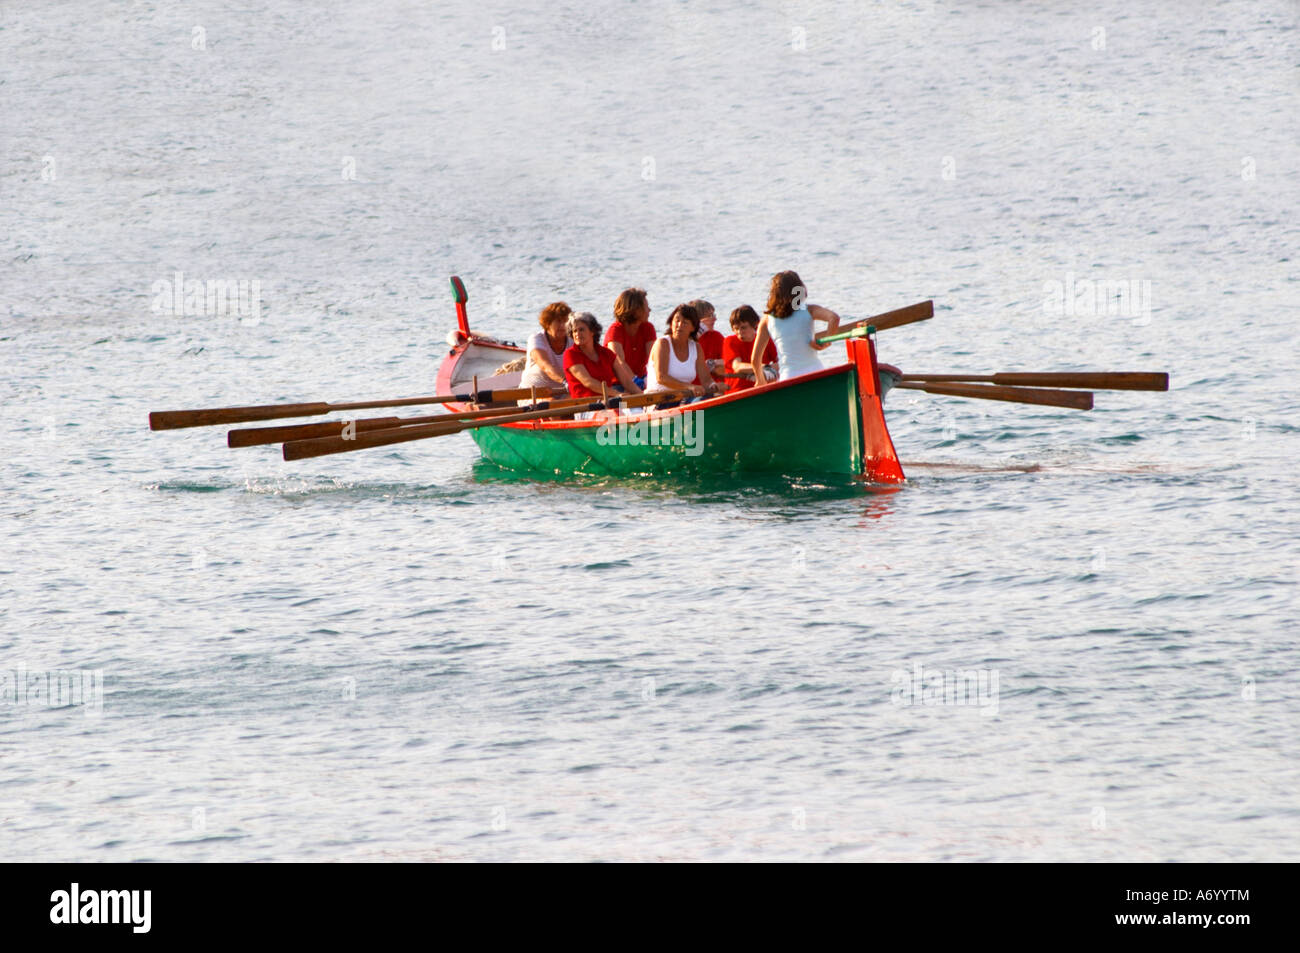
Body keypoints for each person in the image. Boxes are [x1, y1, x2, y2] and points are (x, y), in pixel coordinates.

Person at [750, 270, 841, 385]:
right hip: (816, 372)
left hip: (789, 377)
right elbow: (834, 318)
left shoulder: (767, 320)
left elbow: (755, 359)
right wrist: (827, 341)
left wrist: (760, 380)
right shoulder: (809, 310)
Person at [645, 303, 724, 399]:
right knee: (699, 411)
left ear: (693, 328)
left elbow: (706, 380)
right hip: (659, 402)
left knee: (711, 400)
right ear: (671, 323)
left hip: (683, 400)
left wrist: (713, 386)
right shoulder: (663, 344)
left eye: (685, 322)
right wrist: (689, 387)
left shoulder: (696, 348)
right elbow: (661, 378)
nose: (679, 325)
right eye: (677, 320)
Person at [564, 312, 642, 400]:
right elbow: (588, 382)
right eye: (574, 331)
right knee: (617, 412)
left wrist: (643, 396)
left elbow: (627, 382)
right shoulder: (570, 354)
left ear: (592, 331)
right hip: (587, 407)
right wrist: (617, 394)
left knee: (634, 411)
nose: (577, 333)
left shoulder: (606, 353)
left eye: (581, 329)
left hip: (611, 402)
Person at [517, 301, 572, 403]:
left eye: (565, 321)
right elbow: (545, 366)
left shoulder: (572, 341)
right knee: (551, 404)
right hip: (533, 394)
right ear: (548, 324)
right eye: (558, 321)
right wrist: (566, 381)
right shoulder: (537, 339)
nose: (563, 325)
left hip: (561, 393)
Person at [603, 287, 656, 387]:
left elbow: (653, 359)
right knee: (623, 403)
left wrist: (651, 379)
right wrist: (634, 380)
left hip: (642, 380)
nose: (649, 310)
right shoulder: (615, 330)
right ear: (635, 310)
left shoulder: (648, 328)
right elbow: (619, 361)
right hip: (617, 385)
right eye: (646, 307)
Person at [721, 305, 778, 393]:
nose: (739, 332)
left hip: (762, 388)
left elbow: (779, 362)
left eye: (743, 327)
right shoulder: (730, 341)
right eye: (736, 328)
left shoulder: (765, 339)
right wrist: (766, 367)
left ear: (755, 325)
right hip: (738, 391)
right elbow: (738, 366)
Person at [688, 298, 726, 384]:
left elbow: (728, 361)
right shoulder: (686, 339)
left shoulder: (716, 336)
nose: (715, 319)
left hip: (715, 387)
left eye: (714, 315)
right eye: (710, 316)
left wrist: (712, 363)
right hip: (694, 390)